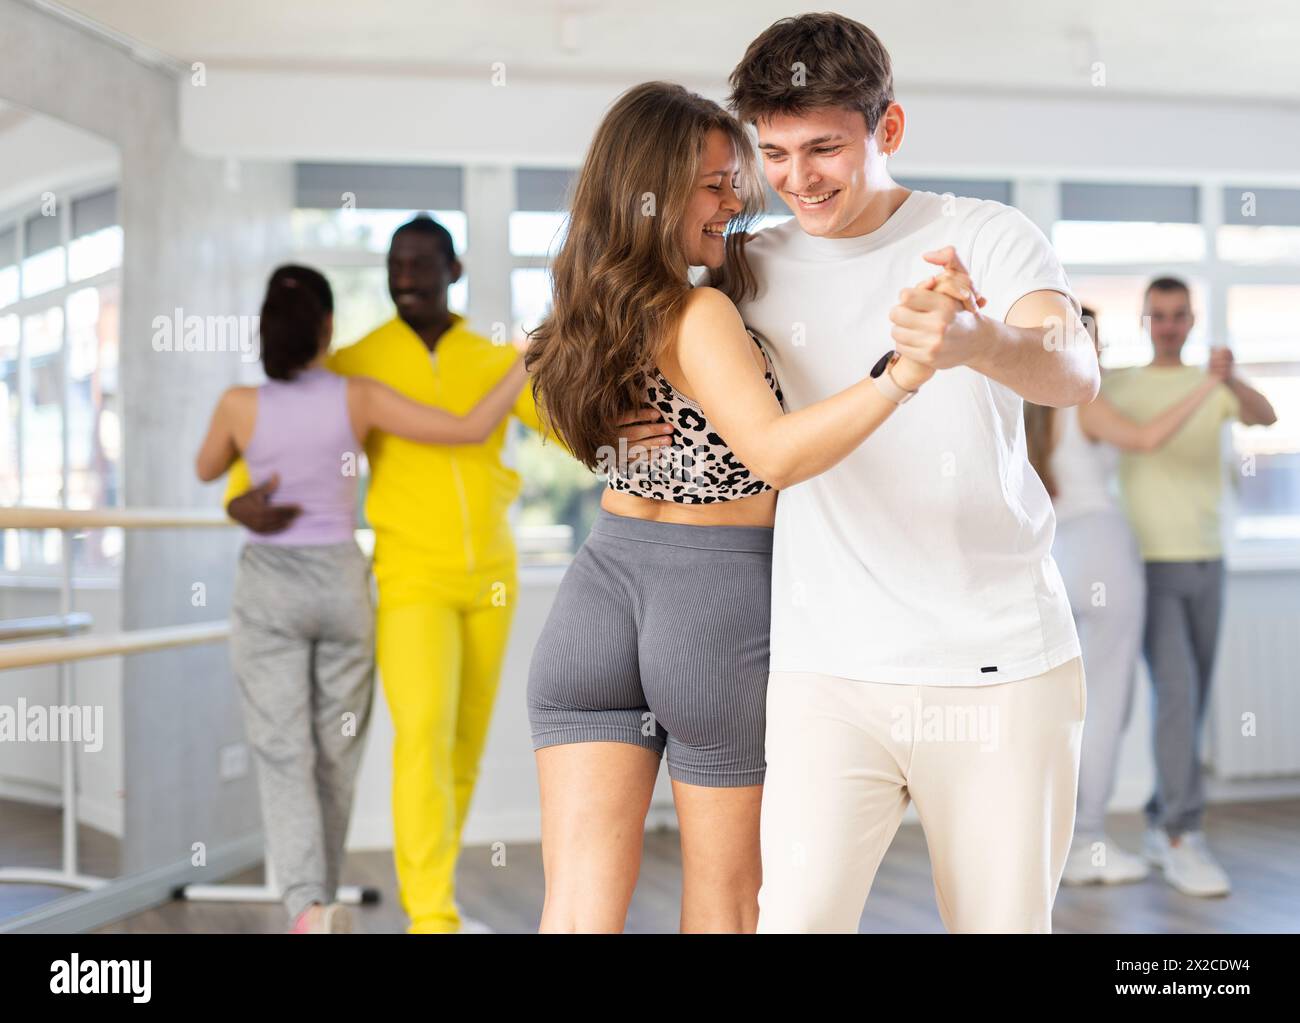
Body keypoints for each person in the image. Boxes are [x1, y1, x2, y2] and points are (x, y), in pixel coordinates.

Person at [523, 81, 974, 934]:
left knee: (574, 904)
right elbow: (773, 453)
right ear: (648, 191)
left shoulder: (586, 314)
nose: (737, 200)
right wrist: (902, 375)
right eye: (714, 183)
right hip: (714, 604)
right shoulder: (698, 311)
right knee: (729, 903)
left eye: (737, 179)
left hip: (595, 596)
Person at [722, 12, 1100, 933]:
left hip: (999, 664)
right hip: (825, 671)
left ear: (886, 130)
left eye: (823, 149)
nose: (796, 179)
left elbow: (1072, 364)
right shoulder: (750, 267)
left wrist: (977, 338)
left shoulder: (985, 235)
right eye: (773, 152)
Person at [222, 218, 542, 933]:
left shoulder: (493, 359)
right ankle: (430, 915)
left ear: (452, 269)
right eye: (396, 264)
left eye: (422, 264)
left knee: (463, 750)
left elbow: (560, 421)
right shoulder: (358, 362)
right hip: (408, 579)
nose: (405, 277)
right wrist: (239, 490)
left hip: (492, 577)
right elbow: (289, 421)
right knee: (422, 734)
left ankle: (441, 893)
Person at [1024, 306, 1227, 886]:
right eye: (1094, 342)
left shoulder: (1029, 403)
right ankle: (1087, 841)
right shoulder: (1084, 400)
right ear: (1078, 347)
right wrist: (1209, 384)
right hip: (1106, 555)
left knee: (1060, 709)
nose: (1100, 353)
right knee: (1106, 708)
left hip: (1056, 556)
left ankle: (1057, 843)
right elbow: (1144, 438)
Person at [1102, 276, 1276, 897]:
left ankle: (1158, 819)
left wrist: (1227, 379)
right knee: (1176, 692)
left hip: (1208, 559)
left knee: (1192, 698)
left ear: (1192, 320)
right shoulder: (1122, 384)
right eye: (1159, 315)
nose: (1169, 325)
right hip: (1147, 564)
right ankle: (1182, 835)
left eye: (1179, 316)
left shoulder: (1217, 386)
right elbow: (1136, 441)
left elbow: (1267, 416)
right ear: (1144, 319)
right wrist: (1207, 384)